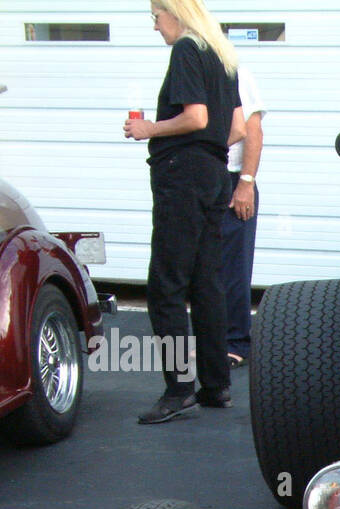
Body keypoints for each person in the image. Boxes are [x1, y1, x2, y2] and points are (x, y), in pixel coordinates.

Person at [125, 1, 244, 424]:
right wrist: (212, 152)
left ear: (175, 12)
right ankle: (216, 386)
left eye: (156, 16)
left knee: (166, 284)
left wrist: (149, 129)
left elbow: (195, 117)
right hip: (214, 171)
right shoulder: (222, 54)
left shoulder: (187, 51)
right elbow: (238, 129)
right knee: (206, 282)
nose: (155, 26)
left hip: (183, 172)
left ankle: (178, 389)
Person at [220, 63, 264, 367]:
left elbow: (253, 130)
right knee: (210, 266)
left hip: (233, 179)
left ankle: (236, 342)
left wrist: (246, 183)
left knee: (233, 266)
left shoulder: (235, 73)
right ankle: (217, 340)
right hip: (207, 180)